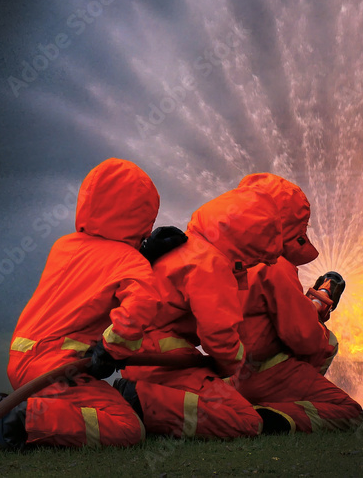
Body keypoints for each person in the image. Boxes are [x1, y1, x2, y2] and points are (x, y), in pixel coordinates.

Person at [1, 158, 162, 449]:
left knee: (80, 405)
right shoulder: (130, 262)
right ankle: (24, 421)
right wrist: (110, 350)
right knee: (129, 428)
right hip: (60, 370)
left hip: (20, 362)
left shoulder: (63, 245)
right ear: (144, 219)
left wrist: (140, 254)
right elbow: (141, 305)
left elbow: (93, 277)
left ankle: (0, 406)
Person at [115, 184, 283, 439]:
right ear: (251, 241)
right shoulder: (211, 265)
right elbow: (219, 338)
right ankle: (138, 402)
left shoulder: (191, 248)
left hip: (146, 357)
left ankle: (142, 401)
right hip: (161, 360)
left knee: (226, 405)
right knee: (246, 421)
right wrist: (231, 364)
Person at [235, 173, 363, 432]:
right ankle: (271, 417)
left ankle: (250, 407)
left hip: (236, 373)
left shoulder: (228, 259)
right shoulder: (275, 266)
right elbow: (302, 338)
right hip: (271, 372)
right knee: (349, 411)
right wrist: (314, 313)